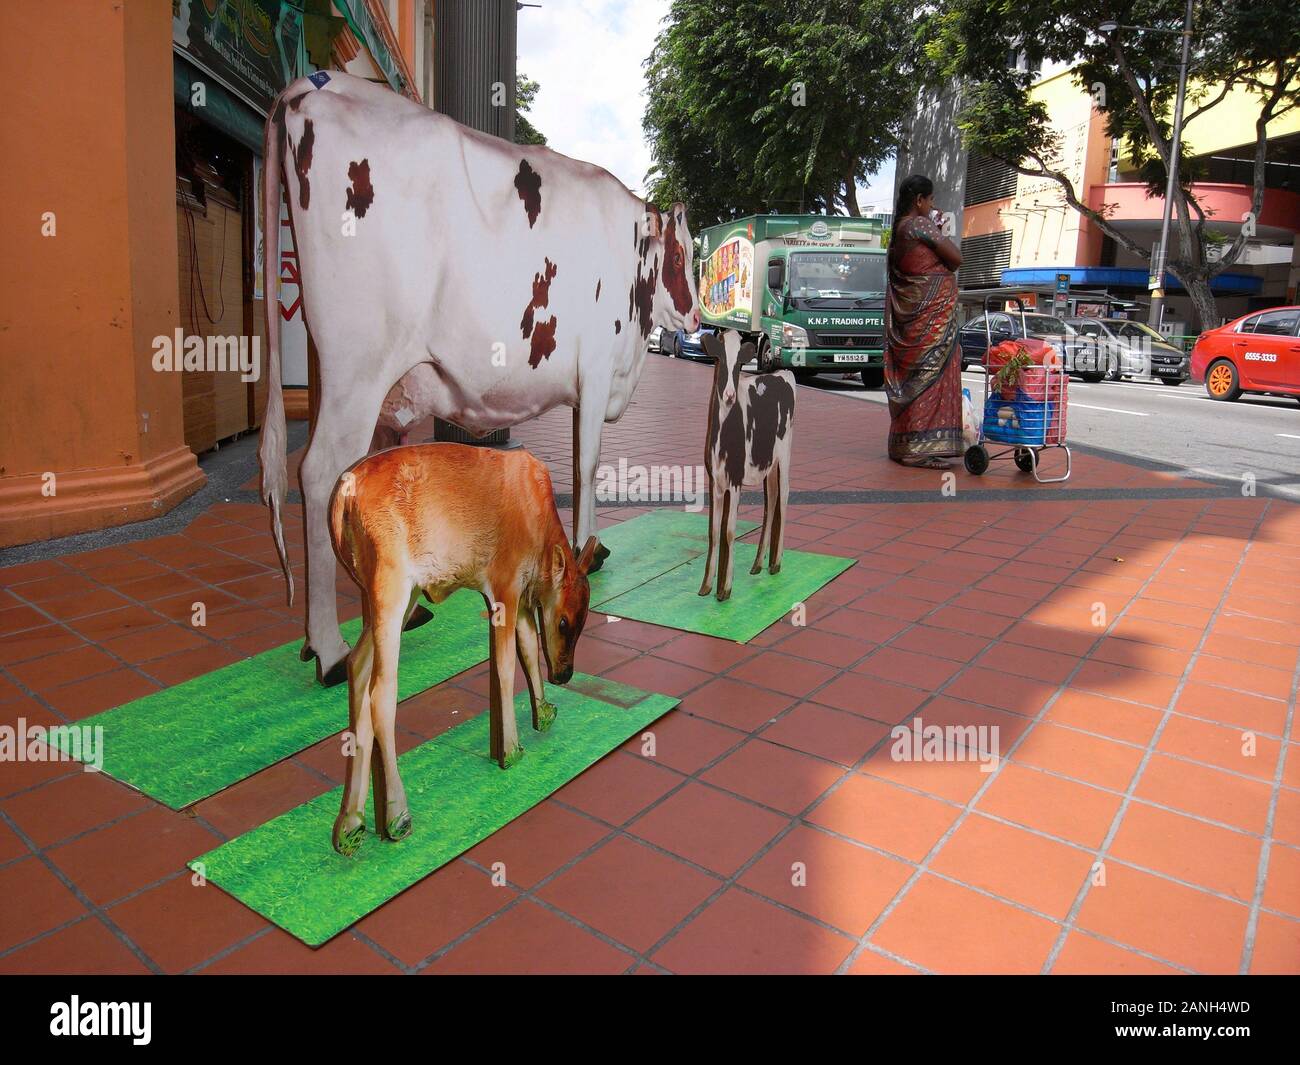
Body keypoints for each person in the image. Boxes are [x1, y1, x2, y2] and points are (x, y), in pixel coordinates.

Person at [883, 174, 964, 468]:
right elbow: (955, 259)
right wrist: (940, 230)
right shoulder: (918, 225)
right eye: (930, 200)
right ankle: (919, 448)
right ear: (919, 200)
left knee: (917, 380)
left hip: (916, 323)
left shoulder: (901, 230)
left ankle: (908, 445)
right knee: (931, 380)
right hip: (931, 322)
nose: (932, 205)